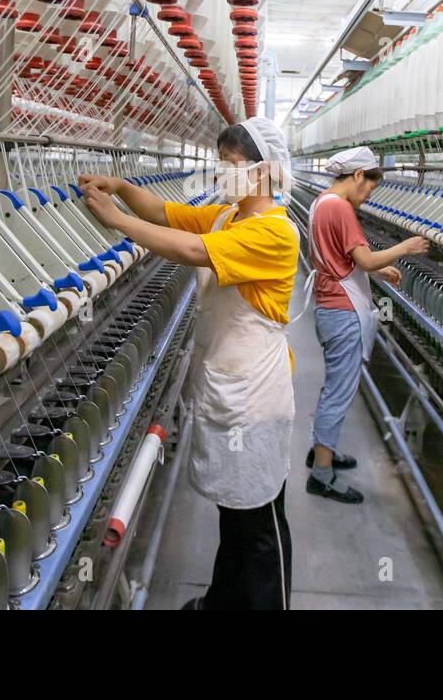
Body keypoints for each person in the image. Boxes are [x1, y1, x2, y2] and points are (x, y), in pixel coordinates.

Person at [78, 117, 298, 610]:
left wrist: (117, 220)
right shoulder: (228, 216)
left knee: (259, 523)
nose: (223, 173)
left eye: (233, 165)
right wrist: (123, 187)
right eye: (220, 163)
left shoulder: (275, 233)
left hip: (256, 400)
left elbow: (193, 249)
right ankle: (222, 603)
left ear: (262, 173)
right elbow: (167, 213)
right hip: (230, 389)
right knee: (234, 513)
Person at [304, 146, 429, 503]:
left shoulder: (320, 202)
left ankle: (322, 452)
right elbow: (365, 256)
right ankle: (321, 475)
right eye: (369, 189)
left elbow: (341, 259)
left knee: (334, 388)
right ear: (358, 176)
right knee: (339, 392)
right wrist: (404, 247)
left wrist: (377, 270)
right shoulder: (340, 208)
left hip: (330, 306)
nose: (366, 197)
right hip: (342, 312)